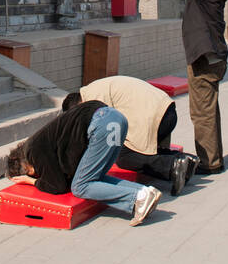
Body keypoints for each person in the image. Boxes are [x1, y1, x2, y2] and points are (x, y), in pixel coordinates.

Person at [5, 99, 162, 225]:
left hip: (100, 124)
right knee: (94, 178)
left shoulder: (33, 150)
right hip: (115, 118)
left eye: (30, 173)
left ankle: (137, 198)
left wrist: (31, 182)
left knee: (80, 187)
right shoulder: (41, 141)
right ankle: (145, 192)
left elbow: (57, 185)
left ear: (27, 168)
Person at [62, 75, 198, 194]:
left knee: (124, 157)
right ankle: (186, 160)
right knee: (140, 150)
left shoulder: (92, 99)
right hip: (167, 112)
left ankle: (173, 165)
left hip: (157, 118)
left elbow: (105, 136)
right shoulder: (95, 89)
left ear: (77, 108)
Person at [175, 0, 228, 176]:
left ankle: (209, 162)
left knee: (202, 112)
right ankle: (213, 157)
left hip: (205, 61)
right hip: (213, 58)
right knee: (209, 109)